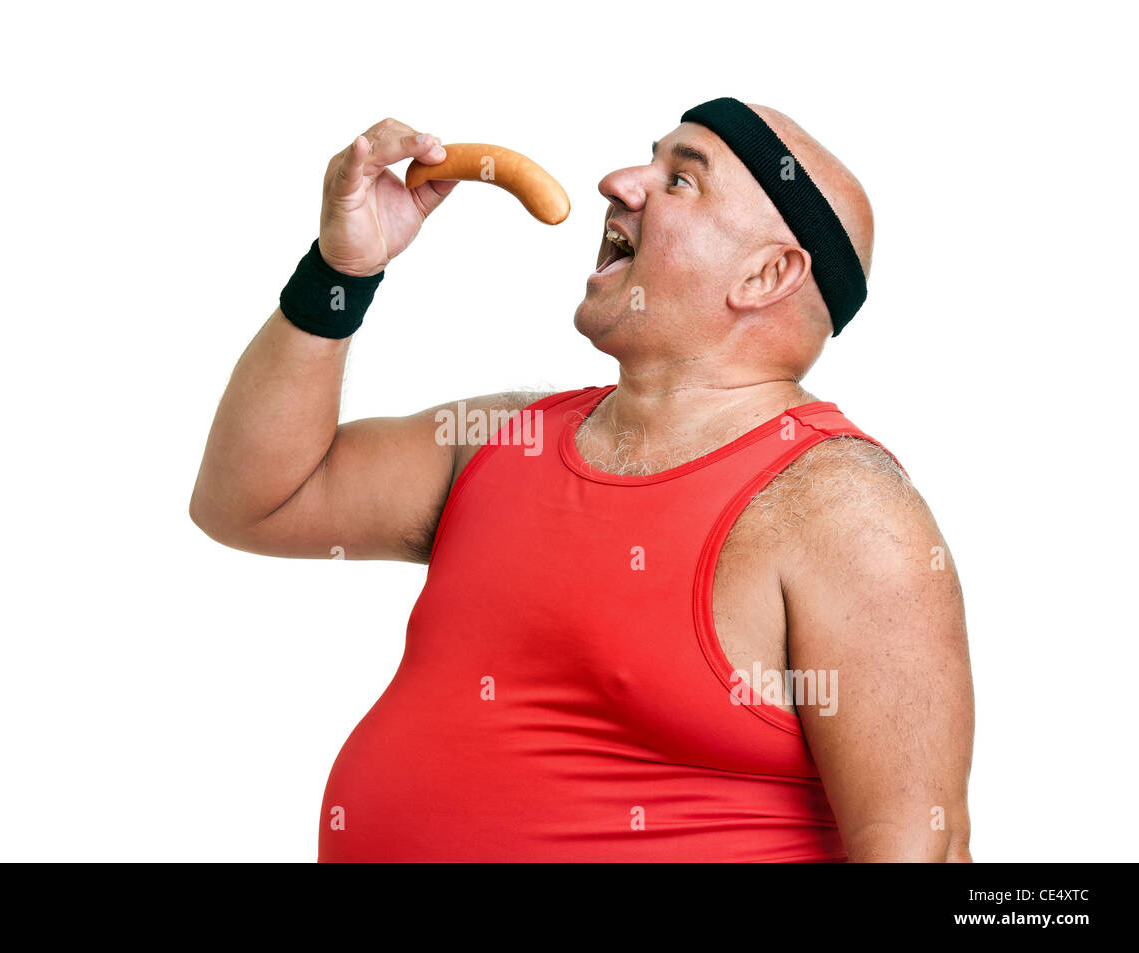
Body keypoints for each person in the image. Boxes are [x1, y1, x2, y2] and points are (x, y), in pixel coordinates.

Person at [189, 101, 975, 862]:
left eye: (680, 180)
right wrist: (339, 272)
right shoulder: (502, 440)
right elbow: (250, 501)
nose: (618, 182)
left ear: (768, 272)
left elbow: (922, 847)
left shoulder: (848, 511)